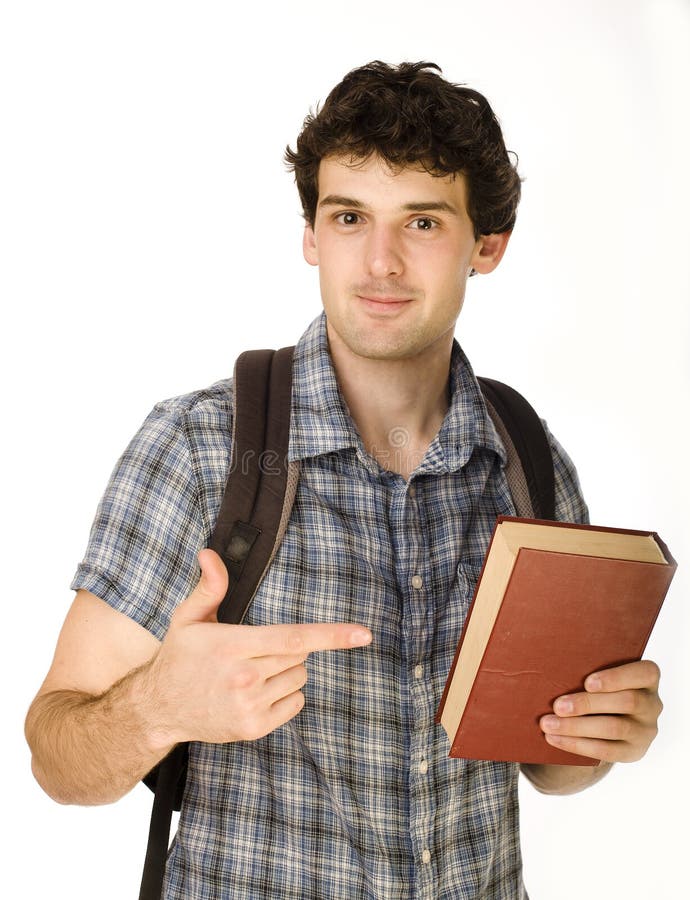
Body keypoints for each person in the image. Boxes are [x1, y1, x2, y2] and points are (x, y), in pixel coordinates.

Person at [25, 61, 662, 899]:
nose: (381, 261)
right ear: (312, 236)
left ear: (488, 245)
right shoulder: (199, 446)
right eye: (350, 216)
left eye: (424, 222)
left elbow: (549, 766)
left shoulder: (526, 458)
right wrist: (159, 708)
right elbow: (56, 758)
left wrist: (602, 734)